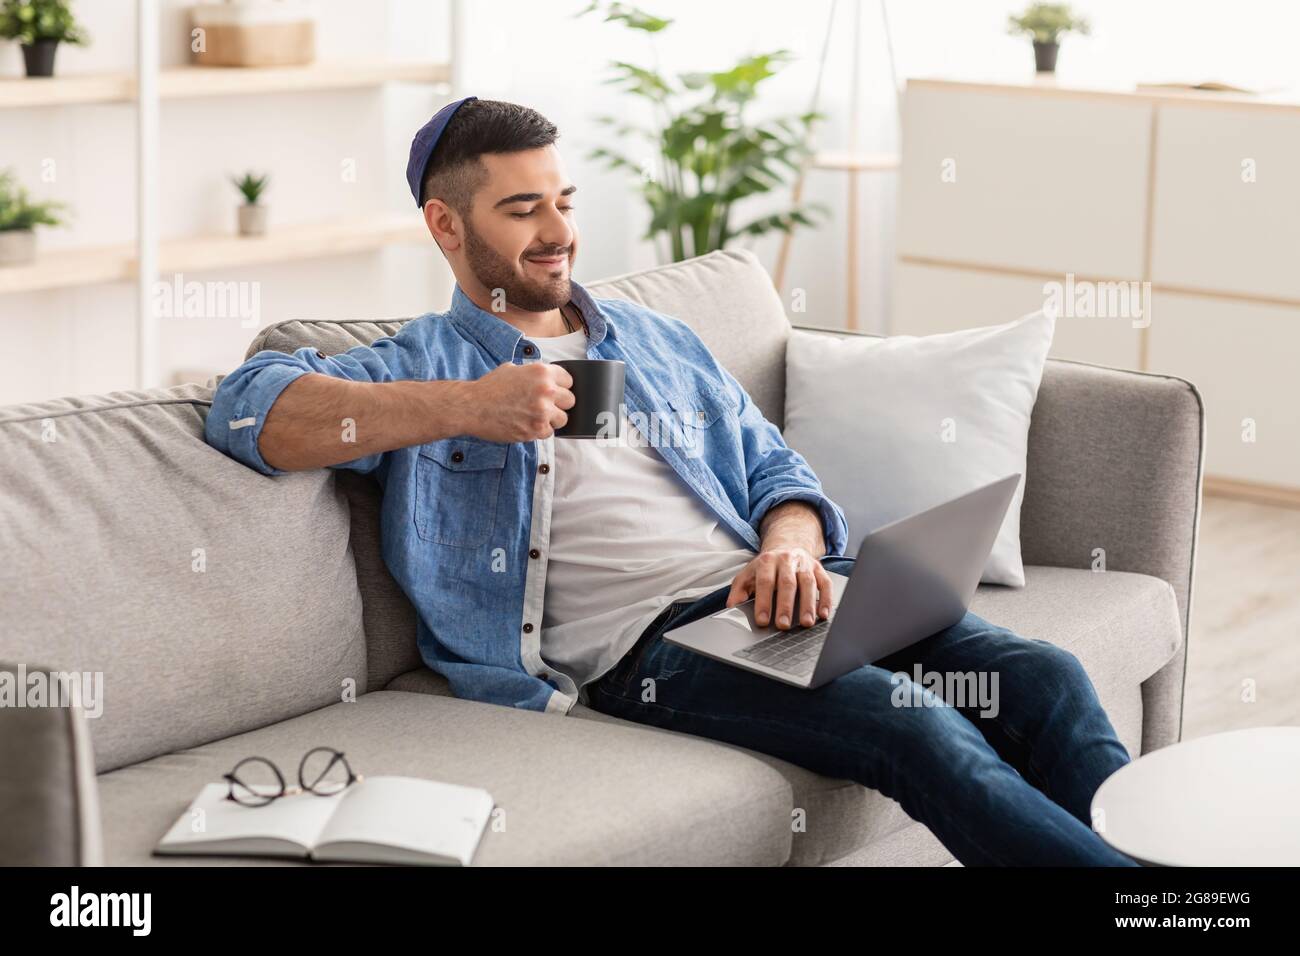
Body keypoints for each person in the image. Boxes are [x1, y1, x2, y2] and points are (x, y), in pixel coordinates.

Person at [205, 97, 1138, 866]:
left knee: (1046, 677)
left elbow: (777, 468)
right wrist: (466, 407)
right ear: (446, 226)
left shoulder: (653, 341)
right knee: (919, 729)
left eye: (563, 199)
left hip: (772, 599)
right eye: (522, 209)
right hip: (647, 652)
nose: (559, 231)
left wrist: (789, 545)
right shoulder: (422, 364)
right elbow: (248, 410)